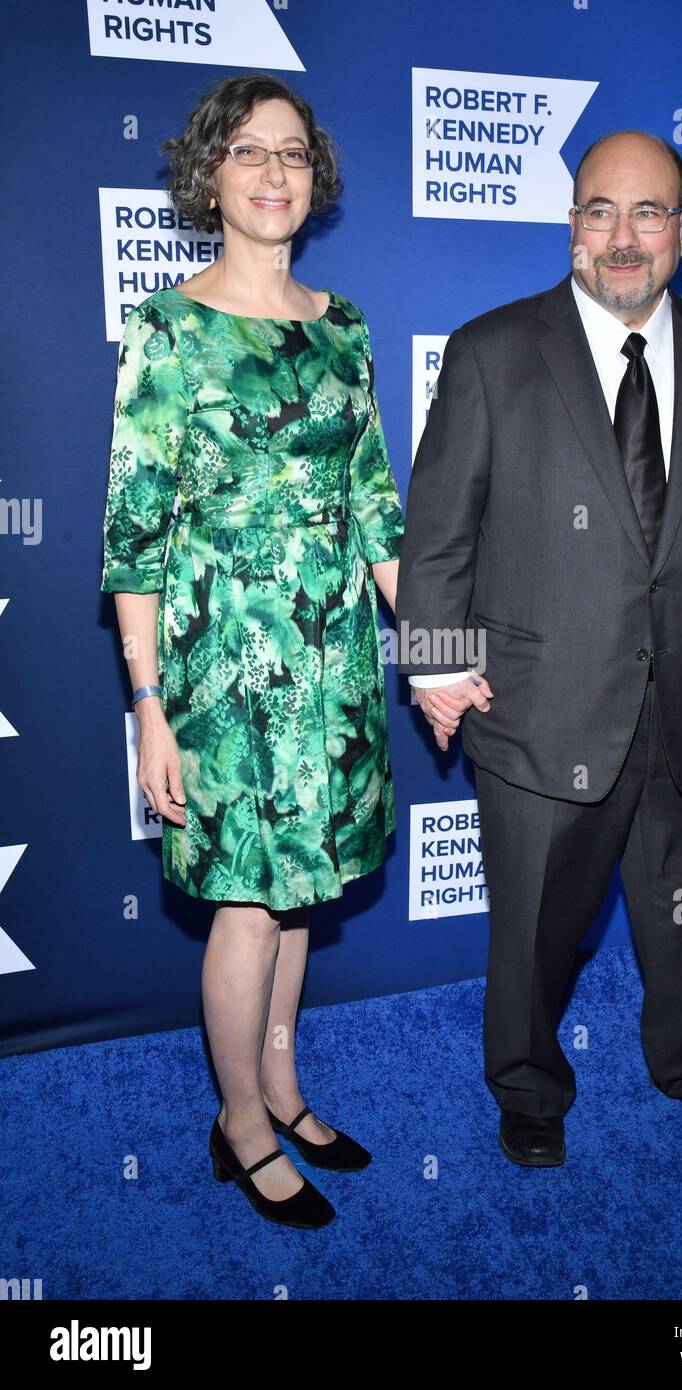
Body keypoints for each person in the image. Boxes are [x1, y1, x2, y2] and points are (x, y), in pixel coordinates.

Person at [396, 129, 682, 1166]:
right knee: (530, 925)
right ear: (571, 226)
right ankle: (528, 1086)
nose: (623, 237)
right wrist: (435, 663)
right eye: (600, 212)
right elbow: (436, 531)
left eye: (648, 212)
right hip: (538, 701)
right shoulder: (491, 353)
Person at [100, 74, 406, 1226]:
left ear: (314, 177)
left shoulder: (345, 328)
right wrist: (148, 706)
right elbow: (132, 538)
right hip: (221, 674)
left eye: (292, 153)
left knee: (296, 904)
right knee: (244, 903)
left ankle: (280, 1080)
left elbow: (379, 516)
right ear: (209, 178)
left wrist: (427, 653)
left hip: (331, 670)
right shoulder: (168, 330)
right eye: (247, 153)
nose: (274, 173)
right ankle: (236, 1124)